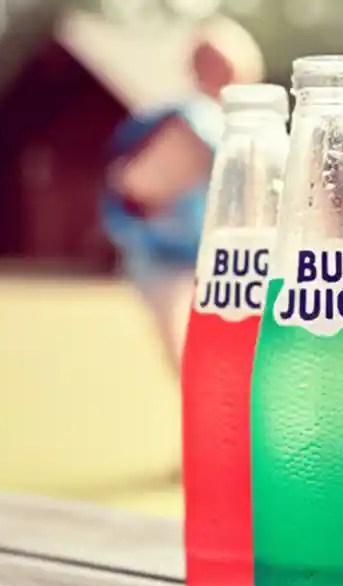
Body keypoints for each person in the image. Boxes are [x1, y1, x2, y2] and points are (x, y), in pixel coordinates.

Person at [101, 17, 264, 376]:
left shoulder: (252, 127)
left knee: (234, 369)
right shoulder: (188, 120)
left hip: (233, 265)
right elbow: (130, 187)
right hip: (173, 262)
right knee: (201, 370)